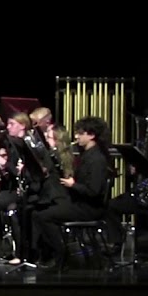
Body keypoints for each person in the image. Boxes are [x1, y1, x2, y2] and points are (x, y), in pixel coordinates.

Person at [33, 116, 111, 270]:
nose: (76, 137)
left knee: (42, 216)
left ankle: (62, 254)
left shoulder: (96, 159)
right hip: (80, 203)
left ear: (91, 135)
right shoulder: (86, 154)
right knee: (41, 211)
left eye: (80, 133)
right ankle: (59, 253)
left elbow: (93, 191)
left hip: (89, 208)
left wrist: (73, 184)